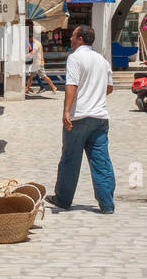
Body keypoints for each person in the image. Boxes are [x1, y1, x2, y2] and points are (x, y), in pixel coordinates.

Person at [48, 25, 115, 214]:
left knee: (70, 160)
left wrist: (66, 111)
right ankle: (107, 203)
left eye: (73, 36)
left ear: (80, 39)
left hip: (79, 117)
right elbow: (109, 88)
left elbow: (72, 85)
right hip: (100, 118)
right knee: (101, 161)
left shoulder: (75, 58)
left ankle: (62, 199)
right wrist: (95, 97)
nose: (70, 39)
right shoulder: (102, 60)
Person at [26, 27, 57, 94]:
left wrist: (25, 56)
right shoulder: (34, 43)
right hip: (35, 63)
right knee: (30, 77)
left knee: (44, 76)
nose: (29, 41)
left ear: (31, 38)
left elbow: (33, 52)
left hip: (39, 63)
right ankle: (27, 89)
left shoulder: (37, 44)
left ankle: (53, 87)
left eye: (29, 39)